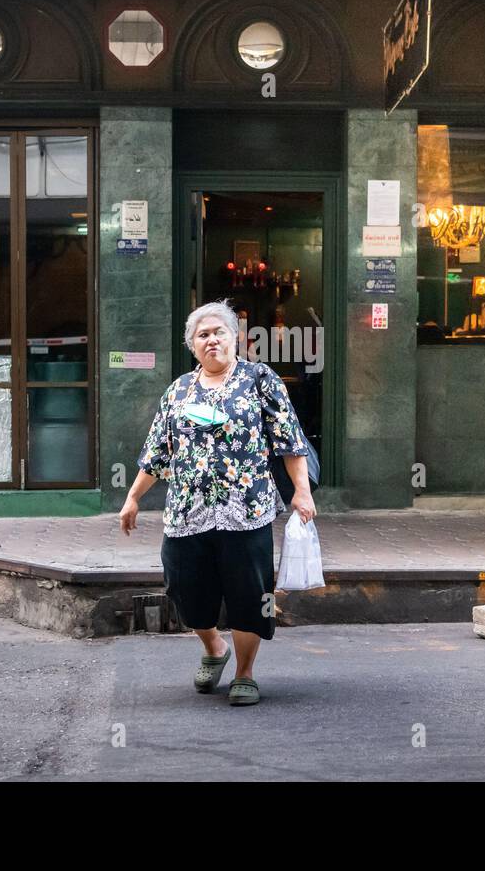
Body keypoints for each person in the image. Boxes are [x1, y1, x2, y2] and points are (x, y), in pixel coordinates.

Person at [118, 300, 315, 706]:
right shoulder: (178, 390)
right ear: (193, 345)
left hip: (246, 510)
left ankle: (245, 673)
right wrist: (132, 497)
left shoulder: (259, 379)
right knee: (184, 587)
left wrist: (302, 491)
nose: (211, 340)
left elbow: (289, 439)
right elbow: (157, 450)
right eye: (202, 335)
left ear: (235, 338)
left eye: (218, 332)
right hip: (187, 511)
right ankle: (214, 648)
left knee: (249, 594)